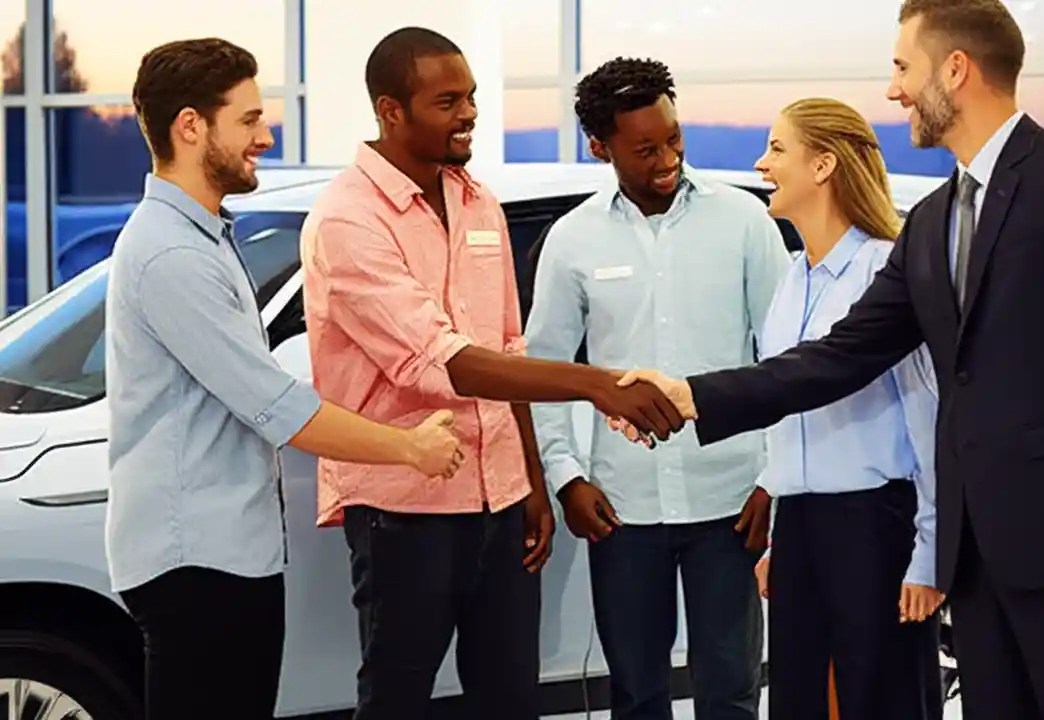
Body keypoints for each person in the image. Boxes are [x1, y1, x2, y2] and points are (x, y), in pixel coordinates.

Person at [618, 1, 1044, 718]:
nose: (893, 90)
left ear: (956, 69)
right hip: (977, 561)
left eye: (902, 67)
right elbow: (838, 356)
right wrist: (691, 395)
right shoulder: (935, 221)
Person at [297, 30, 683, 720]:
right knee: (396, 700)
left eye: (470, 96)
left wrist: (531, 482)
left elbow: (505, 347)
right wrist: (596, 383)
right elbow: (441, 360)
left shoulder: (478, 202)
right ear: (391, 110)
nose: (468, 112)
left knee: (510, 700)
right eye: (448, 101)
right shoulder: (345, 218)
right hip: (402, 507)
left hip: (499, 502)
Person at [106, 38, 467, 720]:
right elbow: (275, 405)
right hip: (197, 563)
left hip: (224, 555)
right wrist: (409, 448)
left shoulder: (202, 236)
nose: (265, 136)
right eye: (247, 119)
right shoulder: (173, 255)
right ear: (190, 127)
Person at [523, 57, 790, 719]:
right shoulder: (571, 240)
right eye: (645, 149)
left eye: (674, 139)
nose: (667, 158)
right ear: (599, 146)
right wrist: (565, 479)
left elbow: (789, 361)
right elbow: (546, 368)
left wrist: (774, 478)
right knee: (636, 694)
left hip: (731, 501)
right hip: (622, 510)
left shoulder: (744, 222)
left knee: (730, 691)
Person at [748, 97, 944, 719]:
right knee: (800, 701)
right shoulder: (791, 276)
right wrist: (786, 531)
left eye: (778, 149)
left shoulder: (882, 269)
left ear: (825, 164)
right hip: (805, 524)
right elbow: (788, 412)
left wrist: (931, 551)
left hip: (876, 525)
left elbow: (928, 414)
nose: (762, 163)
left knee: (882, 699)